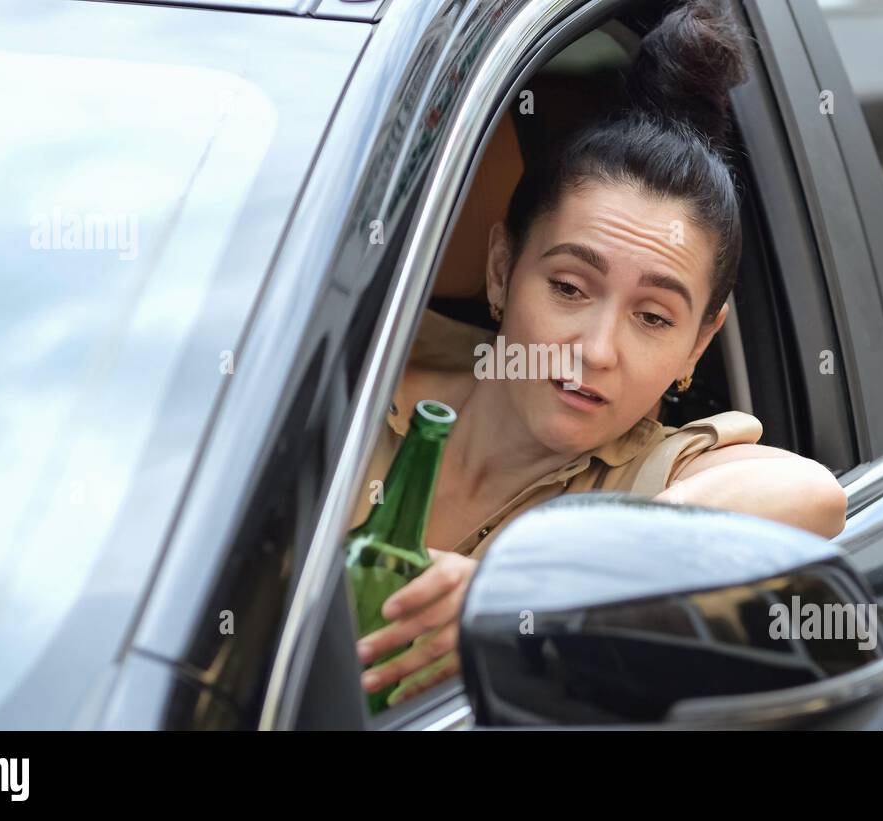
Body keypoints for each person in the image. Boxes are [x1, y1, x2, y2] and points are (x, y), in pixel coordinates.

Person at [351, 0, 848, 707]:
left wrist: (532, 583)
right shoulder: (356, 386)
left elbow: (815, 497)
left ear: (699, 343)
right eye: (569, 286)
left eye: (652, 316)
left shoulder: (650, 478)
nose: (596, 349)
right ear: (500, 270)